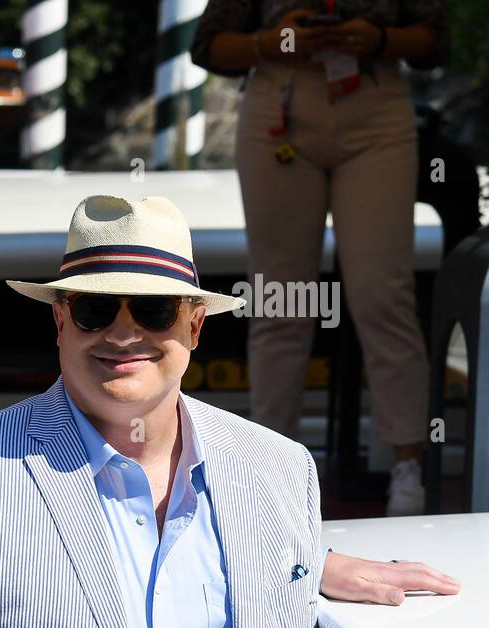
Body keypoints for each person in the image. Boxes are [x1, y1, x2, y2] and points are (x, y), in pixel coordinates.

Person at [0, 195, 459, 628]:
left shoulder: (278, 470)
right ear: (60, 321)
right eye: (94, 309)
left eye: (152, 309)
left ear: (195, 326)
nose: (123, 332)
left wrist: (312, 569)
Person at [190, 2, 449, 515]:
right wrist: (275, 41)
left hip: (375, 107)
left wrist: (373, 38)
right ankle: (269, 472)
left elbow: (434, 39)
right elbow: (210, 45)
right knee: (280, 300)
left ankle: (408, 468)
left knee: (382, 294)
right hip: (279, 106)